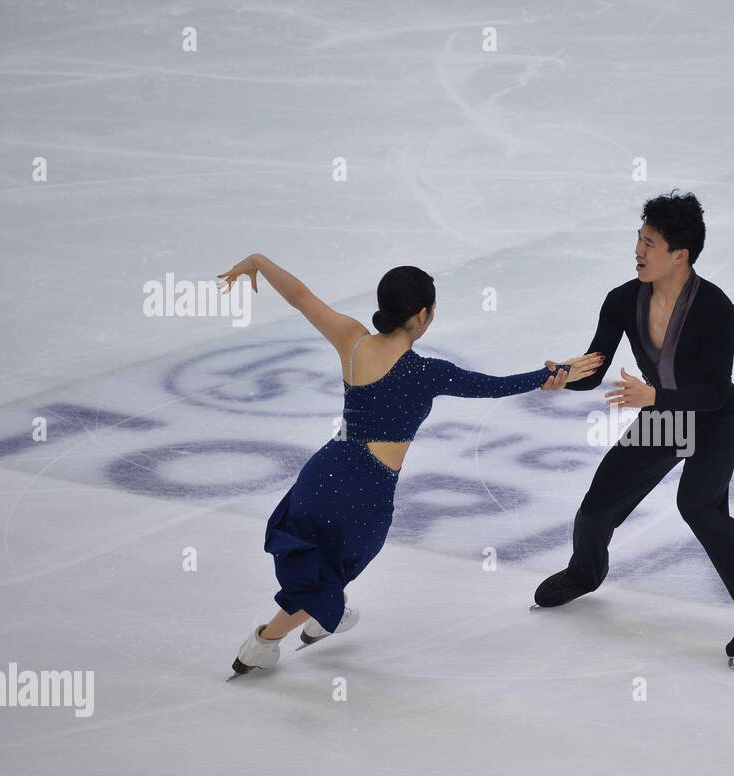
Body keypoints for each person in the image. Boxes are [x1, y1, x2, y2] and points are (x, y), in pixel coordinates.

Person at [215, 255, 604, 676]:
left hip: (322, 472)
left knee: (321, 563)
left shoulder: (352, 339)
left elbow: (300, 297)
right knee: (336, 567)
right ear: (423, 315)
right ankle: (264, 641)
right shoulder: (427, 372)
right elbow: (496, 387)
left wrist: (257, 261)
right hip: (366, 489)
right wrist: (553, 374)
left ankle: (329, 615)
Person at [531, 191, 734, 667]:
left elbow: (714, 392)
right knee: (597, 507)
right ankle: (585, 573)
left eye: (649, 243)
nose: (638, 251)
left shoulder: (716, 308)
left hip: (715, 420)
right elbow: (596, 365)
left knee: (699, 506)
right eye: (638, 239)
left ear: (680, 255)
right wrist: (565, 376)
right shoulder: (623, 299)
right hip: (667, 417)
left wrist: (654, 398)